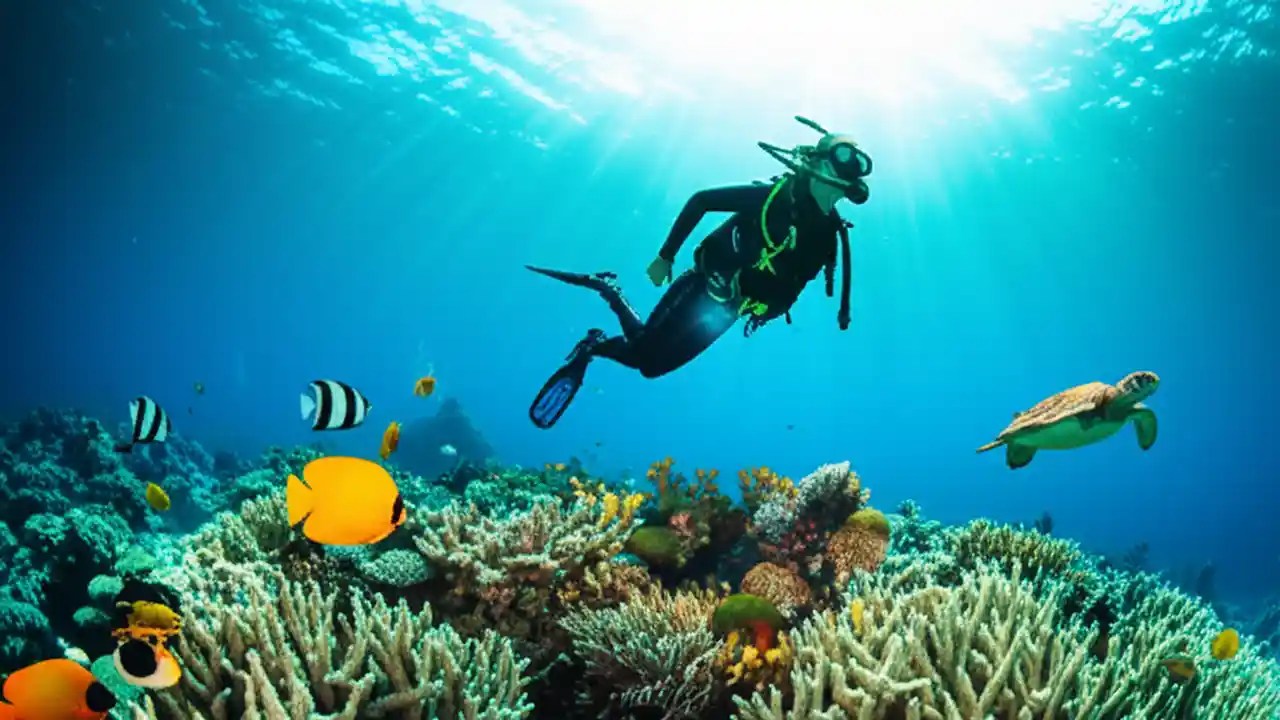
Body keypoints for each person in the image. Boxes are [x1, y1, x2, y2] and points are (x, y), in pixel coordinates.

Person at [528, 116, 873, 429]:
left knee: (650, 366)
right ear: (817, 161)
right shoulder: (774, 199)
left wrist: (763, 309)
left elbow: (793, 287)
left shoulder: (828, 235)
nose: (850, 171)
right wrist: (665, 256)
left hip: (728, 311)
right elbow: (702, 200)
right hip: (702, 284)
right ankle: (599, 324)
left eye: (858, 165)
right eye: (843, 158)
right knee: (644, 352)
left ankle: (607, 295)